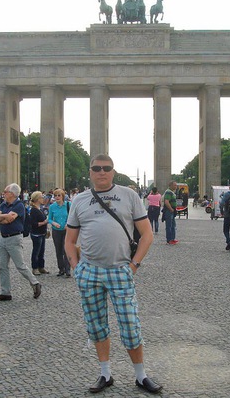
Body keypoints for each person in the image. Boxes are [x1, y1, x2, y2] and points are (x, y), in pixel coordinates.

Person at [65, 154, 162, 394]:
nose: (102, 172)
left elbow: (147, 234)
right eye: (97, 168)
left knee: (130, 324)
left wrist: (134, 265)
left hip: (120, 270)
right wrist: (77, 268)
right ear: (90, 172)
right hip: (89, 272)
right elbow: (69, 240)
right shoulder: (79, 200)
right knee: (96, 325)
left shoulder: (129, 196)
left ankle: (140, 375)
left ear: (113, 171)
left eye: (106, 168)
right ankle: (105, 373)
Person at [0, 183, 41, 301]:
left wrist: (1, 218)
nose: (3, 194)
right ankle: (5, 292)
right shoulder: (4, 204)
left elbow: (9, 219)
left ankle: (35, 283)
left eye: (5, 192)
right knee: (3, 267)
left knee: (20, 265)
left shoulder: (19, 205)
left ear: (12, 194)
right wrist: (4, 217)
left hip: (14, 238)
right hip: (3, 238)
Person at [48, 188, 71, 277]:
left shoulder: (68, 205)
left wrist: (67, 223)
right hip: (56, 231)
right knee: (58, 250)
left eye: (59, 195)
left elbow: (72, 216)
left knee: (66, 250)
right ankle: (61, 269)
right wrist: (53, 223)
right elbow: (49, 219)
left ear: (63, 196)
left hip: (66, 230)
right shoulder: (52, 206)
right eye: (55, 196)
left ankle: (67, 269)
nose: (57, 197)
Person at [29, 191, 50, 275]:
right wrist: (44, 222)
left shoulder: (40, 208)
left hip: (42, 233)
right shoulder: (33, 210)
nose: (43, 198)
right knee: (36, 251)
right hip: (36, 234)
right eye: (41, 197)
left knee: (41, 251)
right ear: (37, 199)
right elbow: (33, 223)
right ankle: (35, 268)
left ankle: (41, 267)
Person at [163, 180, 178, 245]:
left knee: (173, 225)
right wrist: (171, 209)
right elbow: (166, 201)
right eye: (175, 185)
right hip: (169, 210)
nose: (176, 186)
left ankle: (172, 238)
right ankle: (169, 240)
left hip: (171, 210)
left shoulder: (171, 192)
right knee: (169, 225)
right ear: (171, 185)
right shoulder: (168, 192)